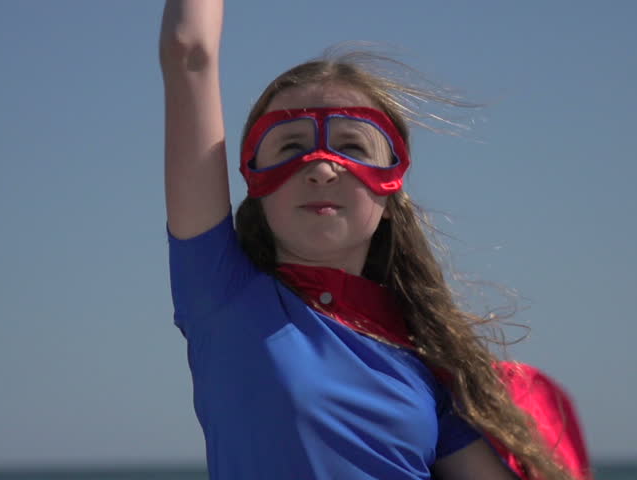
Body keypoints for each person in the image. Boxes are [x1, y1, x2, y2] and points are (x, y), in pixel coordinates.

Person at [159, 1, 589, 478]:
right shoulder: (221, 295)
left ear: (392, 184)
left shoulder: (423, 365)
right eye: (290, 146)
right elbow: (187, 53)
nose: (321, 169)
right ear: (255, 180)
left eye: (352, 145)